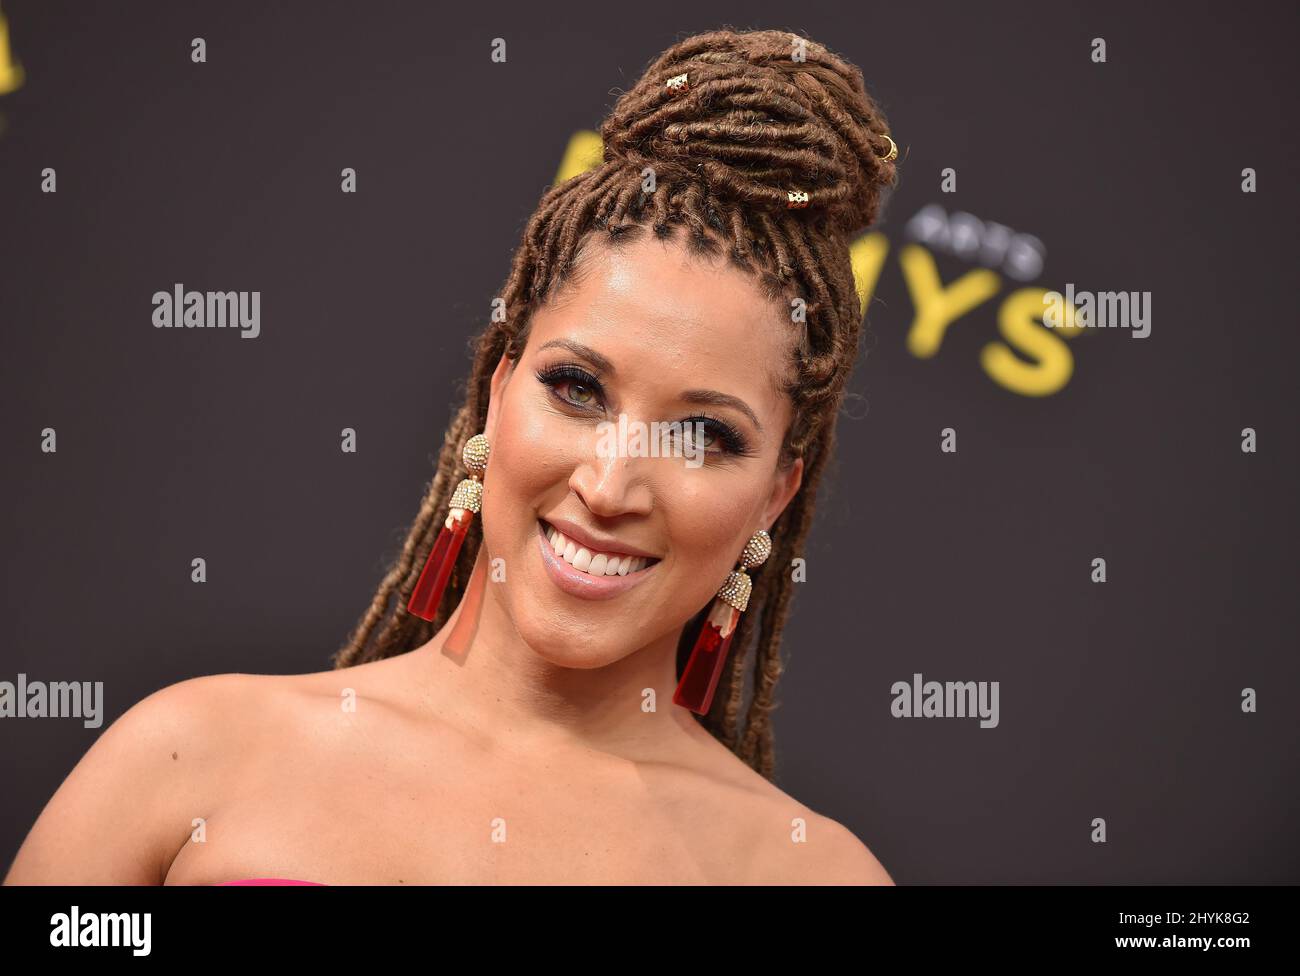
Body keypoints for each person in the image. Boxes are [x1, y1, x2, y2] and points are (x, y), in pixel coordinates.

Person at [6, 27, 898, 885]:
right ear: (498, 391)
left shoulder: (810, 872)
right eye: (578, 389)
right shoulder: (188, 757)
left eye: (702, 437)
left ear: (776, 495)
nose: (609, 483)